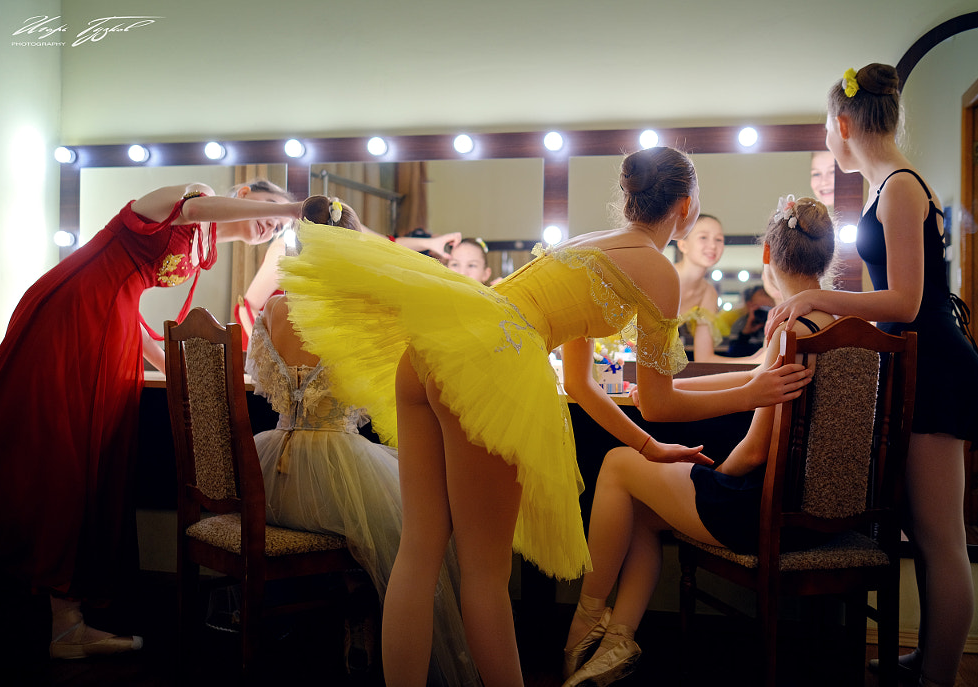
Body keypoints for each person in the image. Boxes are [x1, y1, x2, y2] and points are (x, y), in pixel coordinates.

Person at [278, 146, 814, 687]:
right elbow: (660, 402)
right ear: (686, 204)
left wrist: (662, 442)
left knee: (418, 553)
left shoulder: (589, 247)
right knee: (485, 578)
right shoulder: (656, 269)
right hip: (492, 361)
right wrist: (753, 394)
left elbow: (582, 384)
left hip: (433, 349)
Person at [0, 180, 303, 662]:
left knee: (89, 463)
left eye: (280, 225)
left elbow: (127, 298)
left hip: (107, 324)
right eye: (269, 209)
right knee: (59, 451)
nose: (272, 224)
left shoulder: (203, 249)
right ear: (242, 190)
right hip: (75, 314)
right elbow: (116, 275)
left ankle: (64, 620)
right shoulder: (185, 200)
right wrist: (297, 206)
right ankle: (58, 618)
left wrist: (166, 362)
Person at [766, 63, 978, 687]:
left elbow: (906, 303)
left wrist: (818, 300)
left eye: (825, 128)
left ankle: (939, 675)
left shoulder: (898, 188)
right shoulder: (885, 187)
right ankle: (929, 656)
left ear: (842, 123)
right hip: (918, 367)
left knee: (943, 536)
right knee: (923, 528)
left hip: (939, 371)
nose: (827, 140)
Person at [561, 195, 838, 687]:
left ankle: (585, 619)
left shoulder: (790, 329)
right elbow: (753, 378)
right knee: (644, 511)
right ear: (829, 254)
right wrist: (666, 386)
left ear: (768, 257)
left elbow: (753, 451)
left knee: (619, 465)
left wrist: (709, 481)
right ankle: (619, 640)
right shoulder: (834, 325)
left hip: (762, 513)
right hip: (817, 509)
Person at [246, 200, 479, 685]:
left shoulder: (273, 307)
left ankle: (349, 611)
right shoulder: (365, 313)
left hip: (264, 478)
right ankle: (370, 618)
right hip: (331, 472)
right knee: (427, 517)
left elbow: (260, 381)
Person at [234, 210, 462, 350]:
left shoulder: (348, 227)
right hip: (265, 334)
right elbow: (247, 307)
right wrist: (265, 352)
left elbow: (387, 245)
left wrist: (431, 244)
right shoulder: (284, 251)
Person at [672, 213, 729, 362]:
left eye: (719, 239)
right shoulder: (665, 277)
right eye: (703, 237)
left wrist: (756, 359)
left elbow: (704, 358)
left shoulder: (708, 293)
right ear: (683, 244)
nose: (712, 246)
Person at [726, 284, 776, 357]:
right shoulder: (740, 324)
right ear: (749, 305)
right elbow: (732, 354)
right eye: (759, 309)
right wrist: (745, 333)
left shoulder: (779, 323)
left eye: (768, 309)